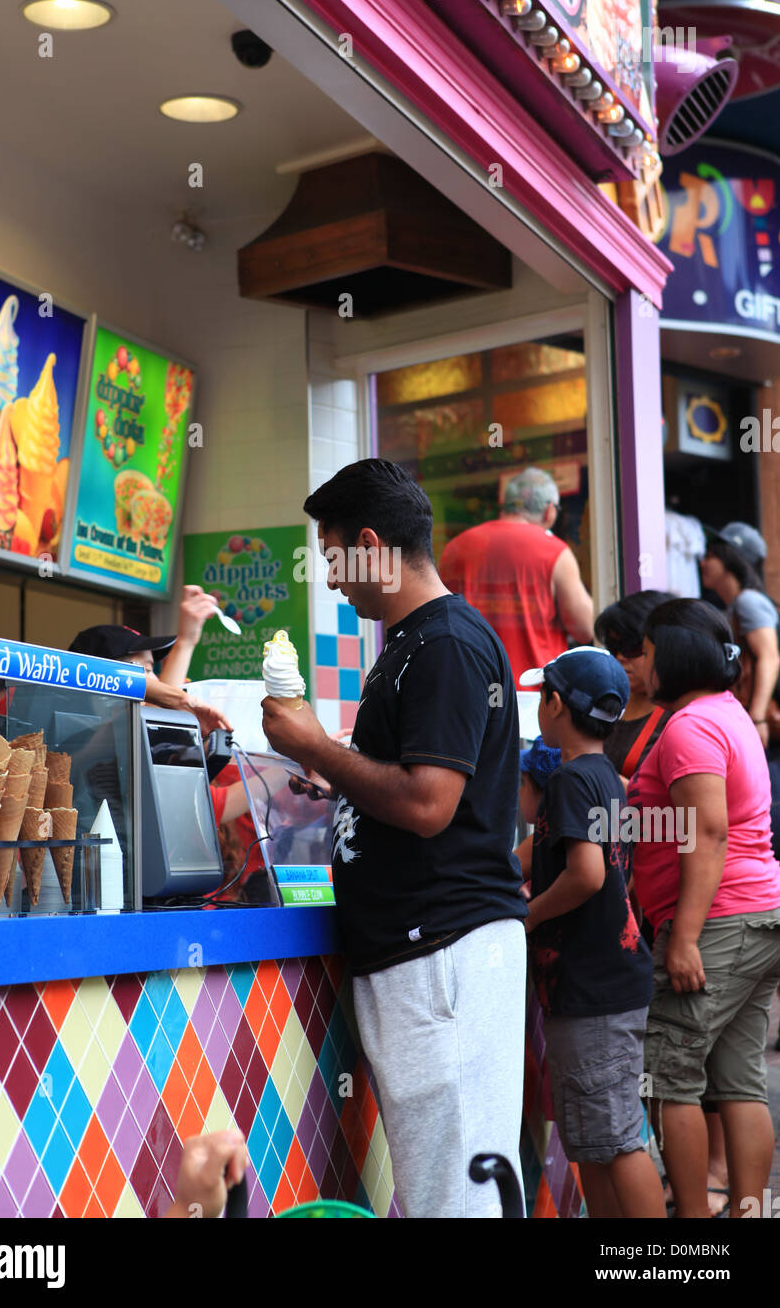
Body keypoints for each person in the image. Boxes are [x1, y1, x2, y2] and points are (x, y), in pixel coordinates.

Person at [262, 458, 528, 1218]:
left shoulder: (443, 643)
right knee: (439, 1186)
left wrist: (316, 746)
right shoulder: (411, 643)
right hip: (420, 950)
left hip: (443, 948)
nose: (334, 582)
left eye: (334, 557)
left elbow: (429, 804)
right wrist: (334, 776)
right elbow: (409, 785)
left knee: (456, 1196)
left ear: (370, 542)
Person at [627, 599, 780, 1219]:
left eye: (648, 652)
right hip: (756, 915)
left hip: (718, 924)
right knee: (738, 1083)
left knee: (668, 1080)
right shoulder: (728, 713)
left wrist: (684, 936)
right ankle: (745, 1216)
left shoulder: (691, 726)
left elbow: (707, 833)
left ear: (675, 657)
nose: (642, 665)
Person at [516, 647, 665, 1219]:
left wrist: (530, 915)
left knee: (619, 1142)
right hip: (602, 985)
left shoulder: (570, 780)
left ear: (555, 705)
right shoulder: (603, 775)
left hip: (594, 989)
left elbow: (587, 874)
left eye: (541, 695)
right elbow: (547, 856)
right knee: (597, 1144)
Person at [438, 466, 594, 686]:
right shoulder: (555, 552)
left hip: (469, 689)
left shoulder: (455, 548)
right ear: (549, 511)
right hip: (534, 693)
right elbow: (586, 628)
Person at [69, 594, 231, 737]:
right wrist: (185, 642)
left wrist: (187, 640)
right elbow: (155, 711)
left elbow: (156, 711)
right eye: (145, 670)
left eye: (152, 670)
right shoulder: (82, 739)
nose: (156, 681)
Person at [699, 523, 780, 749]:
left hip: (764, 722)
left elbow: (769, 657)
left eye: (711, 556)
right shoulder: (734, 605)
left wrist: (757, 718)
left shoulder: (748, 602)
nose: (702, 563)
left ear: (732, 559)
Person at [595, 591, 675, 786]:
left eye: (632, 646)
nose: (621, 656)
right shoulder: (605, 700)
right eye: (614, 647)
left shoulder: (678, 716)